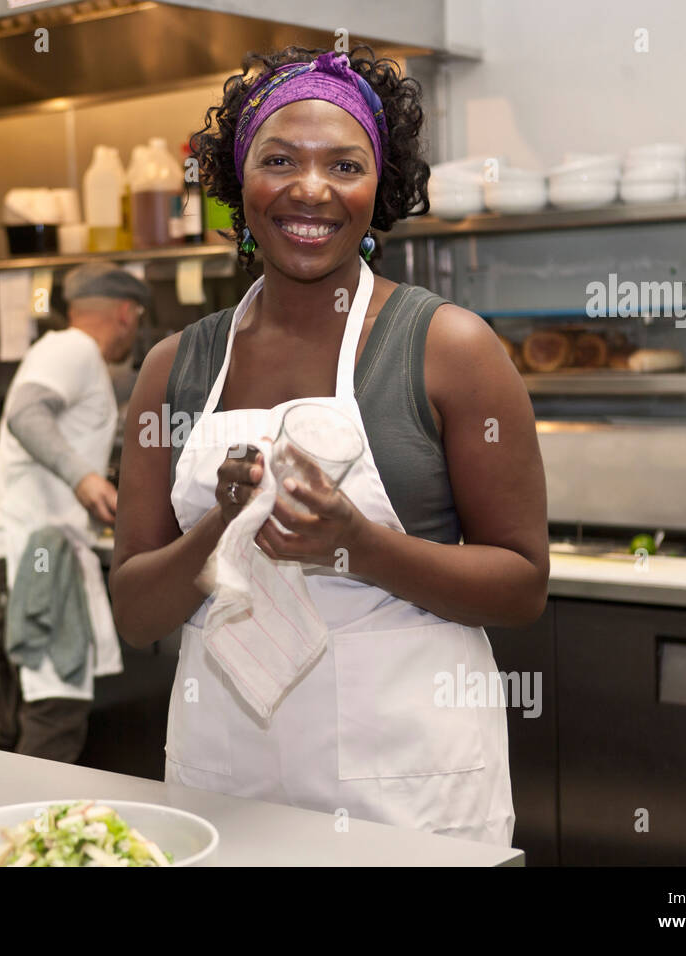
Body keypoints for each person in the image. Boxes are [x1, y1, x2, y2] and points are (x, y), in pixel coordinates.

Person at [110, 46, 549, 846]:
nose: (311, 189)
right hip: (227, 781)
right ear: (237, 184)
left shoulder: (449, 348)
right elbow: (137, 611)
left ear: (376, 189)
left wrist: (357, 544)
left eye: (344, 164)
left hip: (406, 792)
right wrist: (224, 528)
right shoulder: (175, 368)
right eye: (279, 160)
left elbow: (520, 586)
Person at [0, 262, 147, 762]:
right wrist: (85, 479)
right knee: (54, 719)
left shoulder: (64, 352)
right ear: (127, 314)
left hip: (12, 557)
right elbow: (25, 412)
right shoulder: (73, 348)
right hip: (34, 560)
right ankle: (38, 834)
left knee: (13, 726)